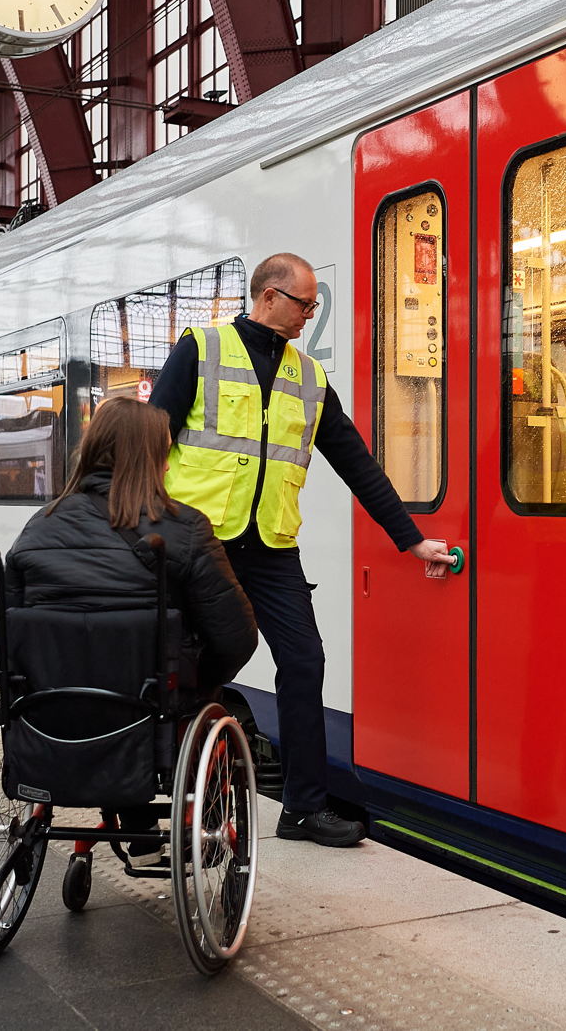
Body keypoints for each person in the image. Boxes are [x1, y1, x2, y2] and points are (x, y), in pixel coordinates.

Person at [151, 252, 455, 847]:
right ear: (269, 297)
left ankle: (303, 808)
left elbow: (356, 462)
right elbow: (149, 436)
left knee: (304, 661)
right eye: (304, 304)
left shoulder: (308, 377)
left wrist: (411, 540)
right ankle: (171, 789)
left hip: (270, 547)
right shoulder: (202, 349)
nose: (310, 315)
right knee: (183, 664)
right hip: (196, 540)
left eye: (314, 305)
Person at [4, 395, 257, 699]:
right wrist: (191, 683)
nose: (166, 467)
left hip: (51, 716)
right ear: (148, 458)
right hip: (152, 713)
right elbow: (236, 640)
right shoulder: (187, 528)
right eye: (165, 453)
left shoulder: (39, 526)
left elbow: (6, 635)